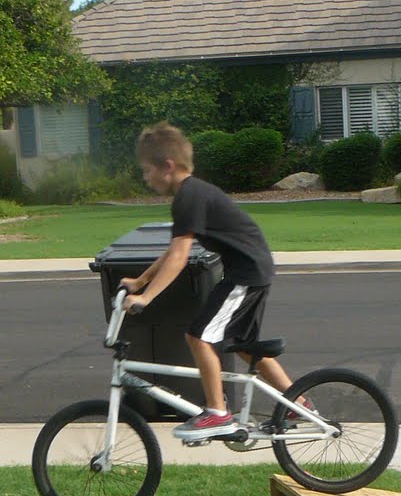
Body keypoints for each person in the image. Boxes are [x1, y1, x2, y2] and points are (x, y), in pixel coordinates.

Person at [120, 122, 298, 441]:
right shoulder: (192, 193)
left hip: (245, 274)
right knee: (243, 346)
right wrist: (140, 281)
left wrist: (146, 298)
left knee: (199, 336)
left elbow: (178, 257)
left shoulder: (189, 196)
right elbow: (174, 250)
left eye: (147, 171)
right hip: (252, 269)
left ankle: (217, 413)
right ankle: (297, 401)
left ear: (167, 166)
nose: (145, 179)